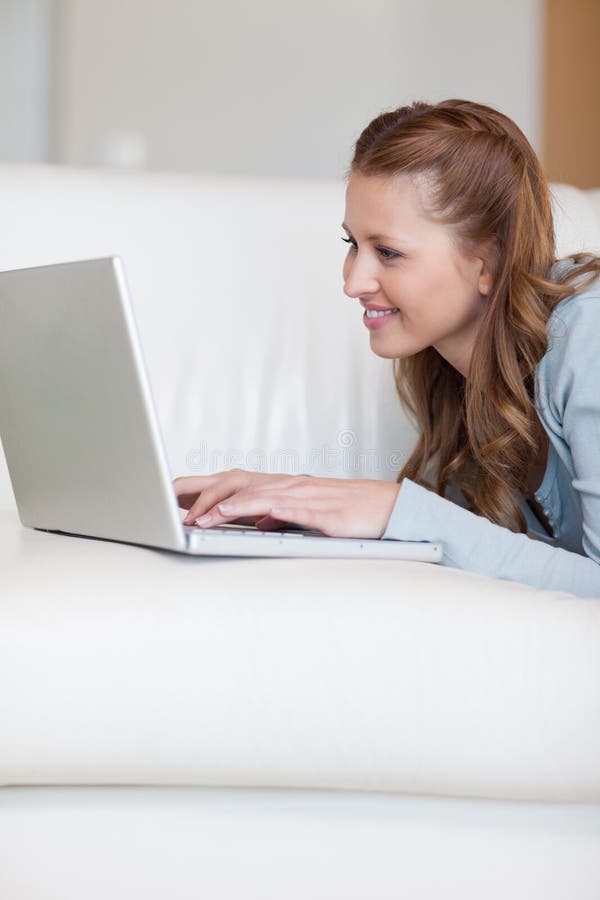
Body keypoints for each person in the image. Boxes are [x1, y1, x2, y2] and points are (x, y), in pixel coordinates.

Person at [173, 98, 600, 597]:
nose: (353, 282)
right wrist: (303, 503)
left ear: (486, 262)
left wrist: (395, 510)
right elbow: (493, 553)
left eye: (389, 252)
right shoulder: (446, 364)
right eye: (352, 244)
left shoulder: (586, 335)